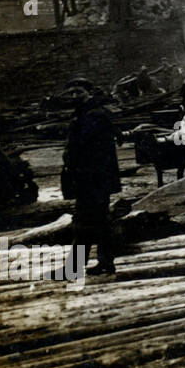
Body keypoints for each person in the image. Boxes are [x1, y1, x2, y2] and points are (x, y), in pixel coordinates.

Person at [62, 84, 121, 275]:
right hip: (91, 178)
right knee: (93, 221)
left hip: (94, 178)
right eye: (71, 92)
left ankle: (78, 267)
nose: (74, 95)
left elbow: (85, 147)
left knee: (88, 221)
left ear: (89, 93)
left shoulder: (94, 116)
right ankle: (100, 262)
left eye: (79, 91)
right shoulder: (86, 114)